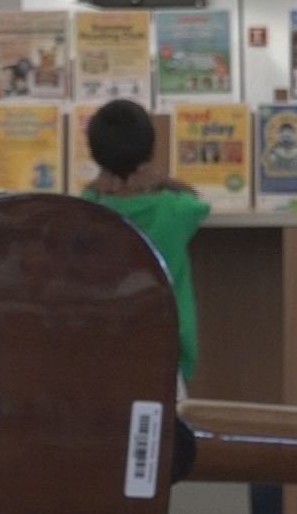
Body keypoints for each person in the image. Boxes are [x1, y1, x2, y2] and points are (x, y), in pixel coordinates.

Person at [80, 98, 210, 395]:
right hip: (162, 346)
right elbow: (199, 203)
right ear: (150, 151)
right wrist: (164, 181)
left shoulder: (90, 208)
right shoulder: (172, 210)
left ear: (96, 155)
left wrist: (94, 186)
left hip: (103, 347)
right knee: (164, 429)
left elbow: (84, 196)